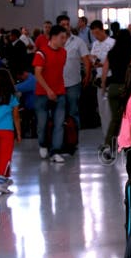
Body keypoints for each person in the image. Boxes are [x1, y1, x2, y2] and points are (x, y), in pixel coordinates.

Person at [32, 24, 68, 163]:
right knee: (42, 123)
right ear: (53, 37)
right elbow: (38, 73)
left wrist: (56, 90)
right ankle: (42, 144)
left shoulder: (63, 52)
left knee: (59, 123)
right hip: (42, 94)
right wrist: (48, 90)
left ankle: (56, 151)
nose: (64, 40)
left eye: (65, 37)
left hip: (60, 93)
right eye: (62, 37)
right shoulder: (41, 53)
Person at [99, 29, 131, 158]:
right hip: (126, 89)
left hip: (113, 88)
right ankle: (129, 145)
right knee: (129, 118)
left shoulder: (111, 53)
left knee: (115, 119)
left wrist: (104, 87)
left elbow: (104, 72)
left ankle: (109, 146)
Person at [57, 14, 90, 138]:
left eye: (67, 24)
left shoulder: (78, 41)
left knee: (73, 111)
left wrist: (87, 75)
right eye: (63, 25)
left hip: (73, 83)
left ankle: (73, 137)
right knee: (59, 112)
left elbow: (86, 59)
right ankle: (61, 138)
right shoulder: (54, 41)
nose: (66, 27)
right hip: (57, 83)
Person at [89, 20, 115, 139]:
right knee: (102, 111)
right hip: (99, 79)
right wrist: (94, 61)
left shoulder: (112, 43)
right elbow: (93, 58)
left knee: (111, 111)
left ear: (102, 30)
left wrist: (103, 63)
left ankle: (114, 136)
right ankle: (106, 137)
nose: (96, 36)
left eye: (98, 33)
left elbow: (113, 61)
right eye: (93, 34)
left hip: (110, 78)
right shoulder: (95, 44)